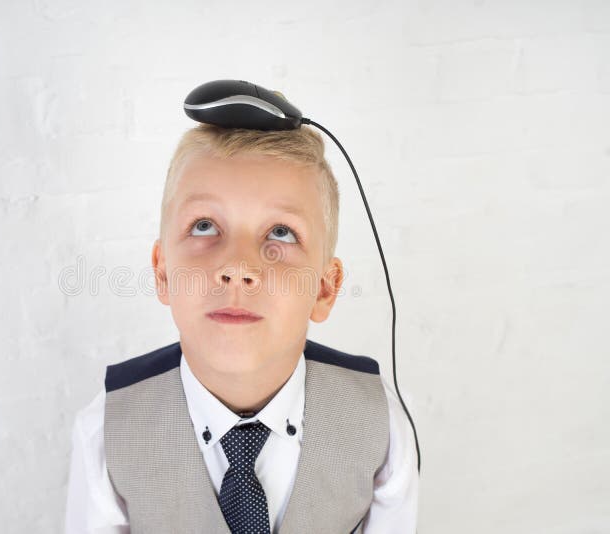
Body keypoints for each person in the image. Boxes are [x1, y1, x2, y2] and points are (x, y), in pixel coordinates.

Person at [65, 123, 419, 533]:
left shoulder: (382, 427)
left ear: (324, 288)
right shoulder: (106, 435)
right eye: (204, 226)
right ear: (163, 273)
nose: (237, 268)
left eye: (280, 233)